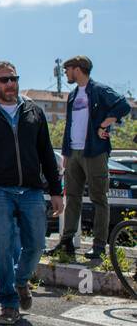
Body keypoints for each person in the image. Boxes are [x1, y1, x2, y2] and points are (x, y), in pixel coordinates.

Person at [0, 61, 63, 325]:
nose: (10, 84)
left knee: (37, 243)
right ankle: (8, 303)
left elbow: (46, 154)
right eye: (3, 80)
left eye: (13, 79)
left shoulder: (34, 112)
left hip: (30, 190)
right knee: (2, 245)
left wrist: (56, 191)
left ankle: (20, 280)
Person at [53, 55, 131, 258]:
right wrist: (66, 153)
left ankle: (98, 246)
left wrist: (104, 124)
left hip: (95, 151)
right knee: (72, 198)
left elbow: (123, 106)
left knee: (98, 198)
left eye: (67, 69)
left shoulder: (99, 90)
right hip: (73, 152)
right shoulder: (72, 96)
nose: (65, 73)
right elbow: (70, 125)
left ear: (77, 69)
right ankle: (67, 242)